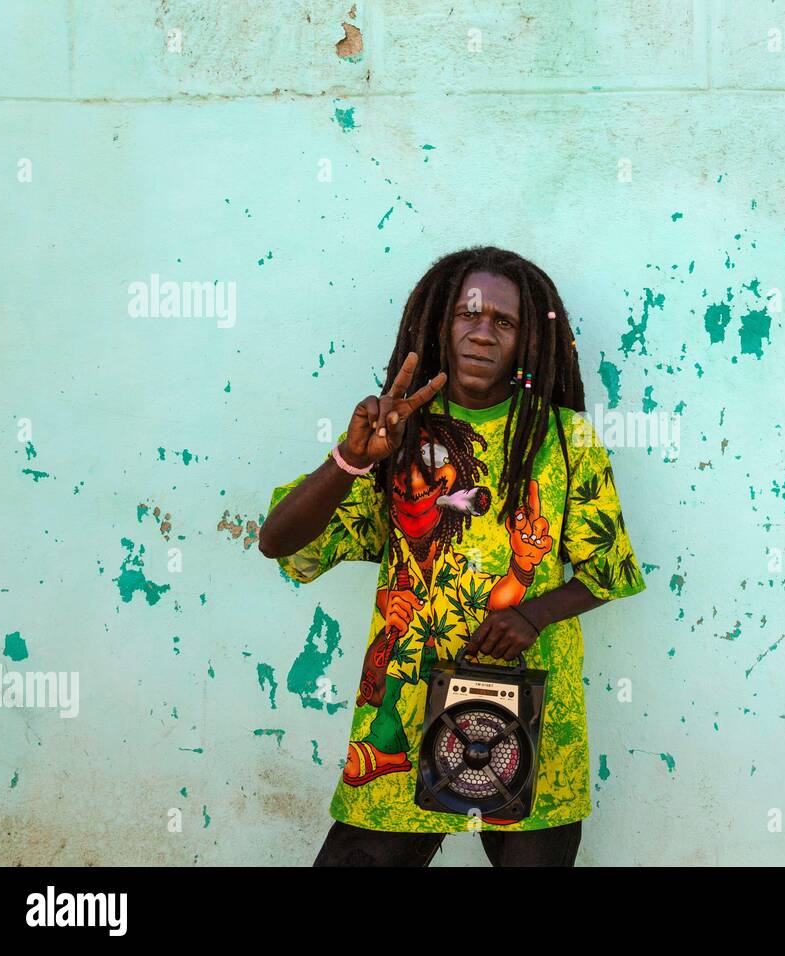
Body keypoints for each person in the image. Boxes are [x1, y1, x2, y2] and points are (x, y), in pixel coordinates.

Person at [258, 246, 645, 867]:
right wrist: (354, 460)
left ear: (526, 343)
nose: (482, 332)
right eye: (468, 314)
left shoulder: (564, 439)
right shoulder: (394, 434)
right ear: (440, 323)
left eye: (504, 321)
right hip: (404, 716)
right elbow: (278, 542)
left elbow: (608, 572)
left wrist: (535, 615)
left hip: (526, 716)